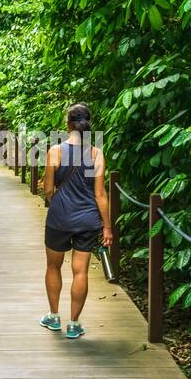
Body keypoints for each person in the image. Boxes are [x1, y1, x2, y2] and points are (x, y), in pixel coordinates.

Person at [39, 103, 111, 339]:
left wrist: (58, 199)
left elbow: (48, 190)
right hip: (88, 220)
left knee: (53, 266)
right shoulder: (95, 153)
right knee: (80, 272)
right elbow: (100, 194)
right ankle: (73, 324)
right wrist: (107, 227)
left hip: (59, 218)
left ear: (68, 125)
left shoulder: (55, 151)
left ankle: (53, 316)